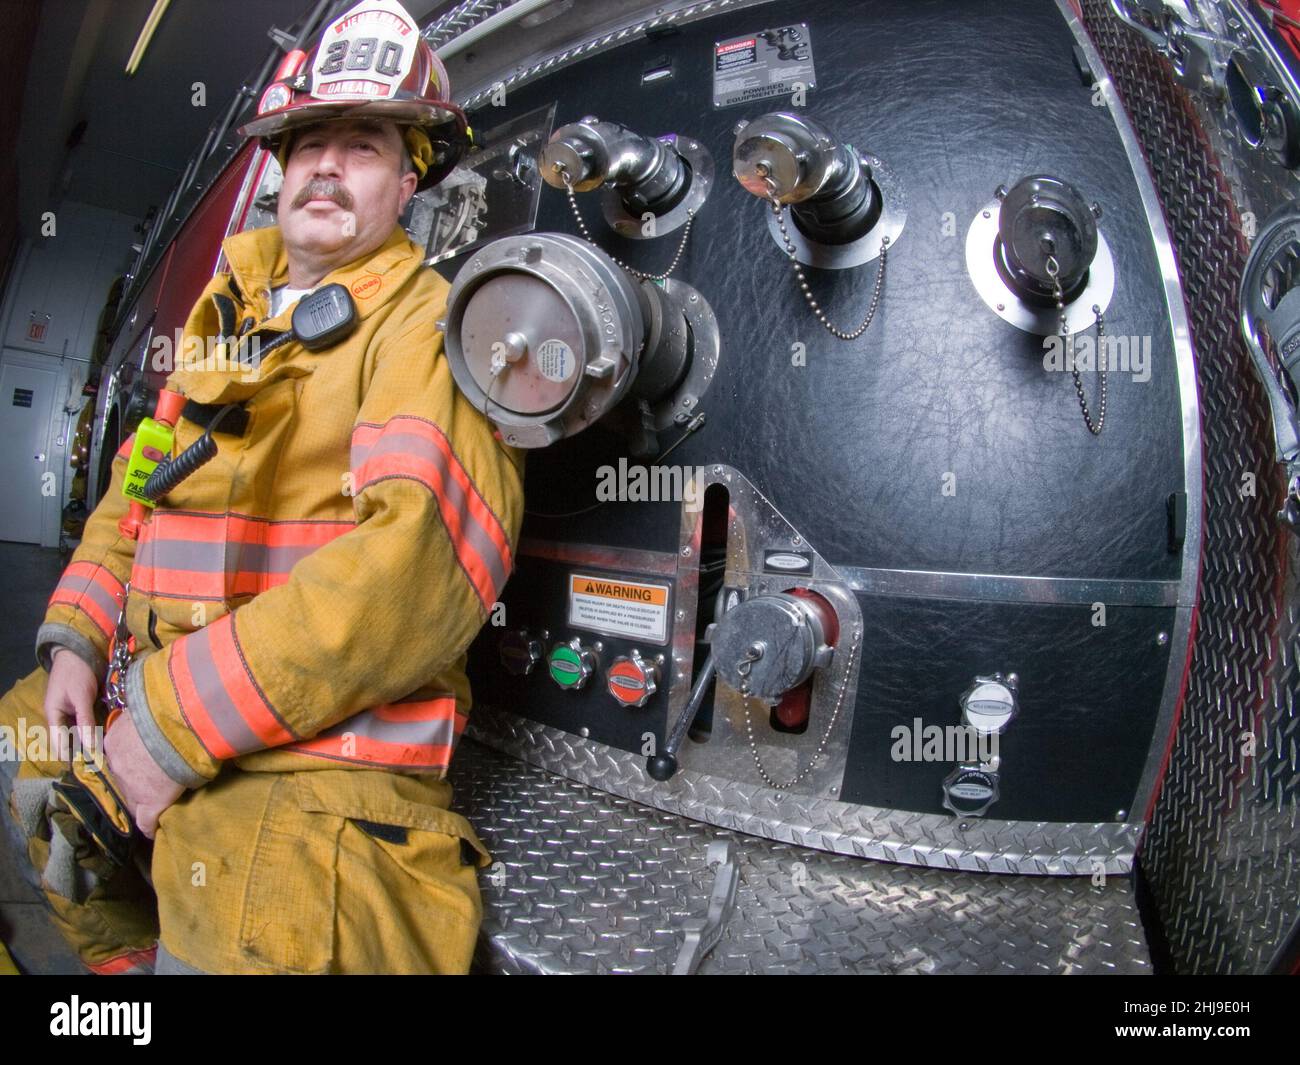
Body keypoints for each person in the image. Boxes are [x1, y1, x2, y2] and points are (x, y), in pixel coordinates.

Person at [0, 0, 524, 974]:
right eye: (308, 140)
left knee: (257, 906)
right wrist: (77, 640)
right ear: (282, 166)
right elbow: (136, 491)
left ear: (408, 176)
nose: (325, 163)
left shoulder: (424, 325)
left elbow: (418, 567)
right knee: (25, 732)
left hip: (313, 761)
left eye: (361, 144)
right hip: (170, 710)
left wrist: (163, 731)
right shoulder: (231, 316)